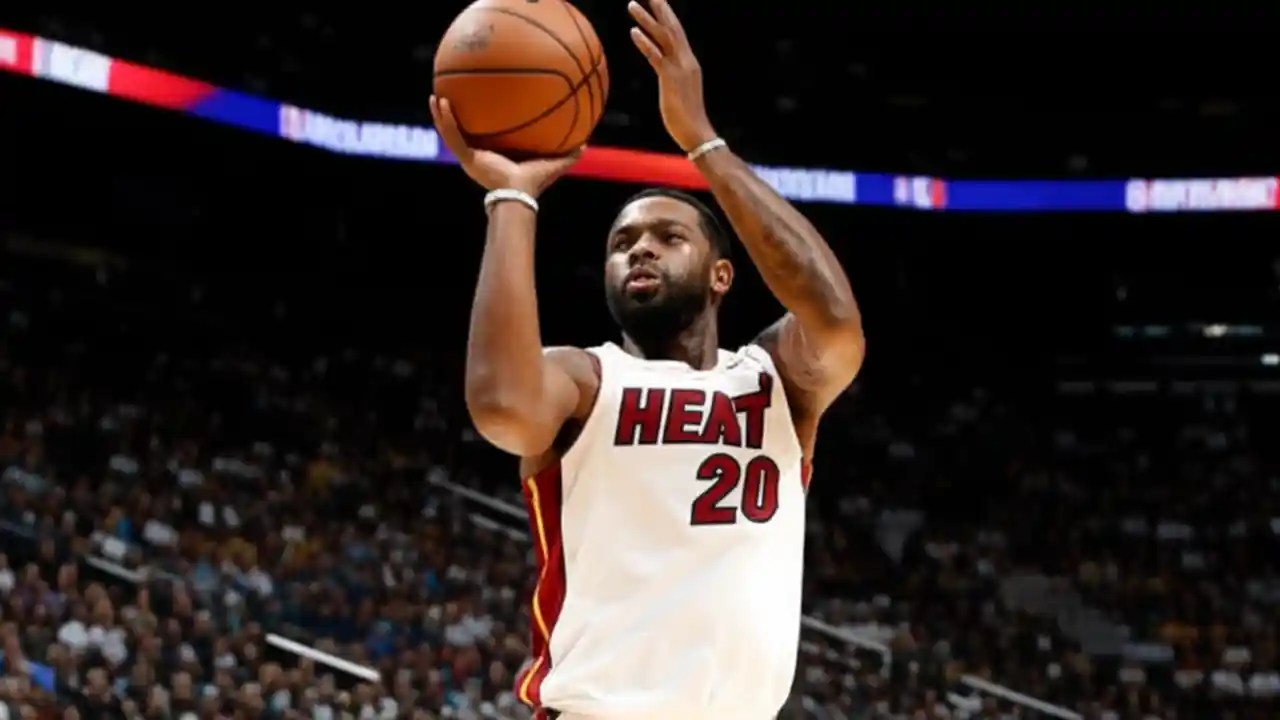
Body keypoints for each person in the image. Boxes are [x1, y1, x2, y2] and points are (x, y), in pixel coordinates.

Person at [429, 1, 864, 717]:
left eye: (668, 236)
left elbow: (837, 321)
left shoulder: (775, 381)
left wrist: (704, 145)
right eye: (622, 243)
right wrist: (511, 195)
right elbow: (501, 406)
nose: (638, 248)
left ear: (722, 275)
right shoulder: (585, 380)